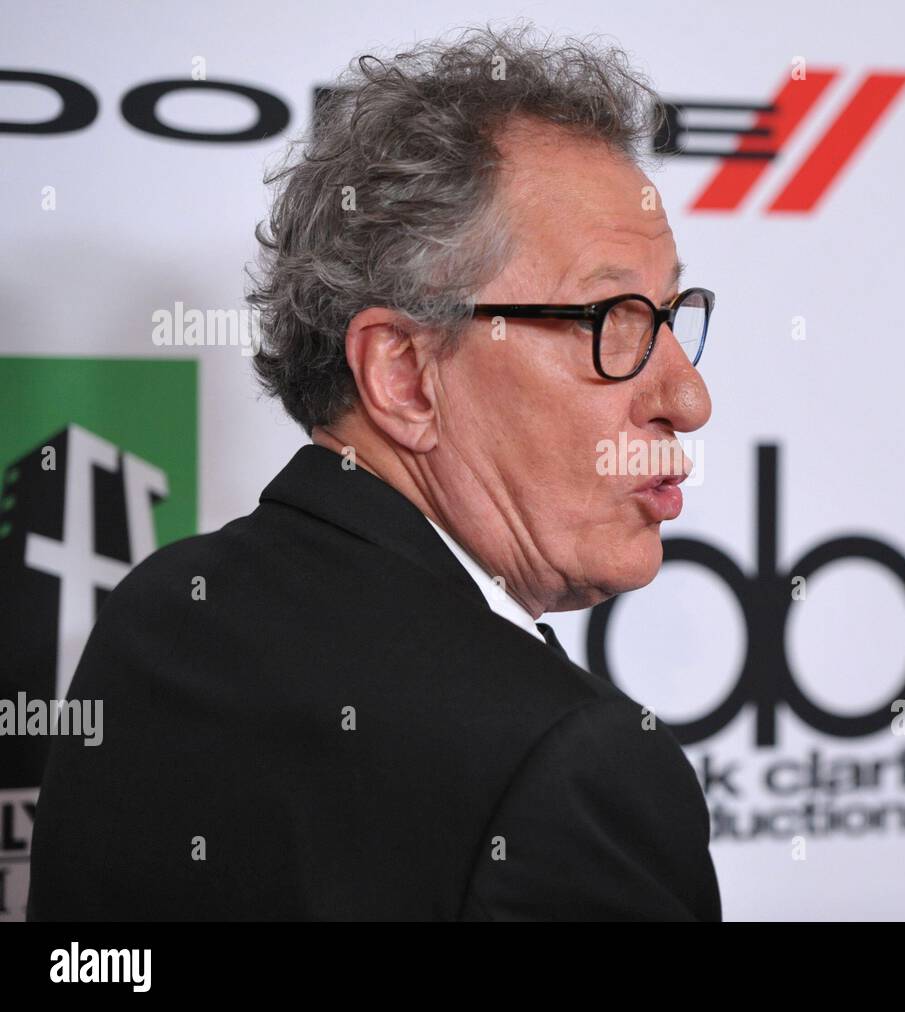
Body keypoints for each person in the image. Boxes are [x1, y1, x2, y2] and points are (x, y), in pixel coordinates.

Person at [28, 24, 721, 921]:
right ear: (402, 375)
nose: (689, 396)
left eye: (669, 314)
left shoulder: (161, 607)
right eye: (613, 316)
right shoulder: (573, 764)